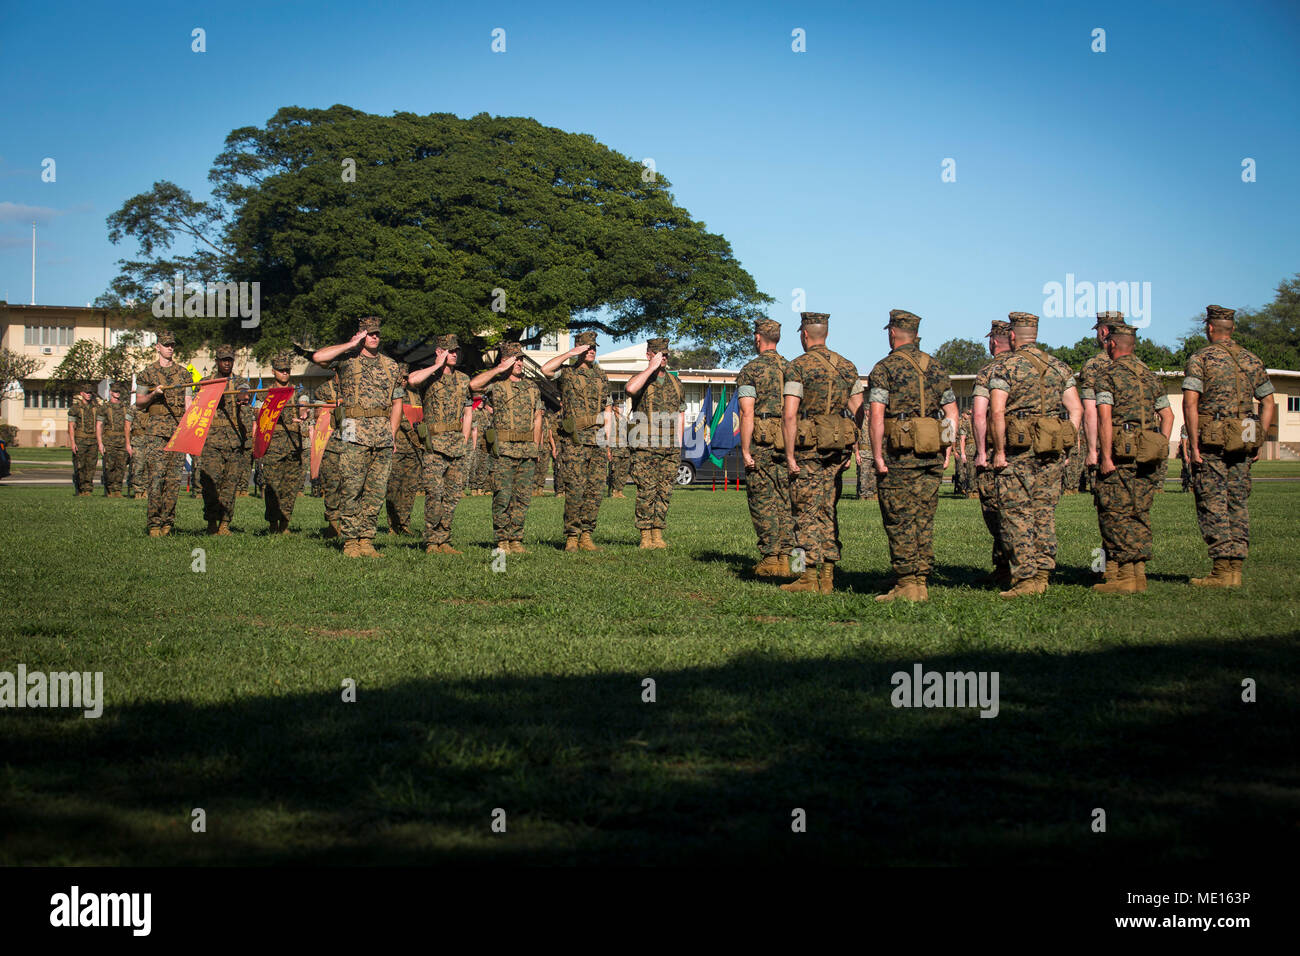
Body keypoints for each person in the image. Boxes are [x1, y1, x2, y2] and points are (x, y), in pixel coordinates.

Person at [989, 312, 1082, 598]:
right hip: (1050, 450)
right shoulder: (1059, 367)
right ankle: (1043, 573)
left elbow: (996, 411)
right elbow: (1076, 409)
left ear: (1013, 336)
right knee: (1044, 512)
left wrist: (999, 452)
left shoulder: (1006, 367)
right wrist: (1067, 443)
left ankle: (1026, 580)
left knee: (1017, 514)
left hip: (1019, 452)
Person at [1183, 304, 1276, 587]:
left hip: (1214, 438)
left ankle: (1222, 570)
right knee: (1238, 501)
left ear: (1210, 328)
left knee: (1213, 502)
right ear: (1231, 328)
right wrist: (1259, 437)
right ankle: (1235, 569)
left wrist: (1193, 443)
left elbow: (1190, 402)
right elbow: (1268, 402)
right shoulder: (1252, 359)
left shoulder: (1201, 359)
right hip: (1244, 435)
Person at [868, 310, 957, 602]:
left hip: (899, 456)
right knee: (923, 518)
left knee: (899, 518)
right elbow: (951, 413)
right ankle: (919, 579)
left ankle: (908, 583)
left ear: (892, 332)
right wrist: (947, 448)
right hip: (931, 454)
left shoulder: (884, 368)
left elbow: (877, 416)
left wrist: (877, 456)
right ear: (915, 334)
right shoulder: (937, 367)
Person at [782, 312, 864, 594]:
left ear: (805, 335)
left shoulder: (797, 367)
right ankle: (828, 577)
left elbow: (790, 415)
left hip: (807, 449)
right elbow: (859, 409)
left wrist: (790, 455)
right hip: (836, 447)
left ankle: (804, 577)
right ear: (825, 334)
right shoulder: (847, 366)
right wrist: (853, 442)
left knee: (801, 513)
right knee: (828, 509)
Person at [311, 317, 404, 558]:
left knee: (375, 492)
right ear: (361, 335)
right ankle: (351, 541)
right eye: (369, 333)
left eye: (377, 334)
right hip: (353, 431)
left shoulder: (391, 365)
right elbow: (318, 357)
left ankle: (367, 540)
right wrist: (350, 344)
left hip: (382, 436)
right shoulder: (346, 359)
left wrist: (391, 435)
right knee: (351, 489)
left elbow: (397, 403)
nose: (374, 337)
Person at [1092, 322, 1174, 593]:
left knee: (1116, 514)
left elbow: (1104, 418)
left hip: (1120, 454)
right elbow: (1168, 416)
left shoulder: (1108, 374)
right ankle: (1138, 575)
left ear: (1112, 343)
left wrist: (1105, 456)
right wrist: (1158, 443)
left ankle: (1125, 578)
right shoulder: (1150, 375)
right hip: (1147, 454)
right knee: (1140, 512)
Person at [541, 331, 613, 551]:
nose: (591, 351)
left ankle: (587, 535)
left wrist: (608, 440)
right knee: (576, 488)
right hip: (575, 440)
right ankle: (572, 535)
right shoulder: (567, 373)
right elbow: (545, 370)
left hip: (597, 439)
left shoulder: (601, 375)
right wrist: (570, 353)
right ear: (579, 349)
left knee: (595, 489)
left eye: (594, 348)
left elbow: (607, 409)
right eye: (587, 347)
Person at [470, 342, 543, 552]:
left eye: (520, 358)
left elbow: (538, 417)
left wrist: (535, 446)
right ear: (504, 360)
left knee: (522, 497)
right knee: (502, 495)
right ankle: (502, 539)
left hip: (527, 450)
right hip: (504, 450)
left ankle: (516, 538)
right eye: (513, 358)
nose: (518, 362)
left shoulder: (532, 387)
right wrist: (498, 369)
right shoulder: (497, 385)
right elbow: (473, 386)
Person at [737, 318, 796, 577]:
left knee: (763, 499)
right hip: (789, 438)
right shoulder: (793, 368)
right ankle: (792, 560)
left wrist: (745, 450)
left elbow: (746, 411)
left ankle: (771, 559)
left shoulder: (750, 369)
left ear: (758, 338)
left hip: (762, 439)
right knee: (789, 499)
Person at [408, 334, 473, 554]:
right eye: (449, 351)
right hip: (434, 444)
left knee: (452, 495)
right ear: (439, 351)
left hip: (456, 443)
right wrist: (436, 365)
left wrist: (464, 439)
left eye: (456, 351)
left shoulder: (464, 379)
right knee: (434, 493)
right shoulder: (428, 376)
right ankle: (431, 541)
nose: (454, 354)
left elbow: (467, 410)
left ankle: (444, 539)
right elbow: (412, 380)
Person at [625, 338, 686, 549]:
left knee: (664, 490)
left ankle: (658, 534)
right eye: (659, 354)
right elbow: (631, 389)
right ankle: (645, 535)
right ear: (649, 355)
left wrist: (679, 442)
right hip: (645, 446)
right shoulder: (641, 379)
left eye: (666, 354)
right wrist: (650, 367)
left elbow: (681, 413)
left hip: (670, 446)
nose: (664, 358)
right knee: (646, 490)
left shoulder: (676, 382)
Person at [135, 331, 192, 536]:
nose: (170, 348)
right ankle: (154, 524)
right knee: (156, 478)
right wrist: (153, 394)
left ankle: (168, 522)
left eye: (172, 345)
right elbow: (139, 402)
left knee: (173, 480)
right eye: (166, 345)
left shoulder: (184, 374)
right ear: (157, 347)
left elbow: (188, 404)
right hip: (156, 433)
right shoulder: (147, 373)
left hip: (177, 432)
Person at [971, 319, 1014, 585]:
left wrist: (981, 452)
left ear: (994, 341)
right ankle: (1032, 568)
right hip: (1030, 450)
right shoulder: (1033, 368)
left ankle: (1005, 567)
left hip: (995, 451)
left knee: (996, 510)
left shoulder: (990, 371)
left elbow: (979, 414)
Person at [198, 344, 253, 535]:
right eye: (223, 360)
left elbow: (245, 390)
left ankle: (225, 523)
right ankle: (211, 521)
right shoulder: (206, 383)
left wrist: (243, 395)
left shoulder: (239, 382)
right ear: (217, 361)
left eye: (230, 360)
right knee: (211, 484)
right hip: (212, 443)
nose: (227, 363)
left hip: (234, 442)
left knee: (230, 486)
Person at [262, 352, 309, 534]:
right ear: (274, 371)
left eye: (287, 370)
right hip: (273, 446)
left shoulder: (298, 391)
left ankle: (285, 522)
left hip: (294, 446)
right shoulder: (266, 392)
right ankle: (273, 522)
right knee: (273, 486)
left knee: (290, 487)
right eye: (281, 370)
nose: (284, 373)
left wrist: (303, 412)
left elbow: (303, 404)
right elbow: (260, 414)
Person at [385, 365, 424, 535]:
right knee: (393, 487)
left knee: (410, 487)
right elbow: (397, 417)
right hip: (397, 447)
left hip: (414, 449)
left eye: (405, 377)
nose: (402, 380)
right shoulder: (389, 394)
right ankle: (392, 524)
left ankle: (404, 523)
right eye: (399, 377)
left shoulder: (415, 395)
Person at [312, 368, 346, 537]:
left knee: (350, 488)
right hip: (331, 444)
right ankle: (333, 525)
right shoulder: (324, 390)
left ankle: (347, 524)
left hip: (351, 444)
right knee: (332, 485)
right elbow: (318, 414)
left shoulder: (355, 387)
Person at [96, 381, 129, 497]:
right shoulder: (104, 408)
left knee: (121, 467)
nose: (117, 393)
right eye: (115, 391)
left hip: (122, 441)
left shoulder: (125, 407)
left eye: (119, 391)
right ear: (110, 392)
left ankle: (118, 490)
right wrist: (100, 443)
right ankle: (109, 490)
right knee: (109, 467)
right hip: (109, 441)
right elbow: (99, 425)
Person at [67, 381, 99, 496]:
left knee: (91, 466)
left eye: (90, 393)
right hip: (80, 440)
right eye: (86, 392)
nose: (89, 395)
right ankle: (79, 489)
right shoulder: (75, 408)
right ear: (82, 393)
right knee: (80, 466)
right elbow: (71, 426)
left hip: (93, 441)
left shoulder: (96, 408)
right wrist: (72, 442)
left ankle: (88, 489)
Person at [606, 400, 632, 498]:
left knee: (623, 471)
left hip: (625, 449)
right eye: (619, 406)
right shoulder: (610, 419)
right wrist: (608, 450)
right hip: (615, 449)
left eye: (622, 406)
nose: (621, 408)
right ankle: (614, 490)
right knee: (614, 471)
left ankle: (620, 491)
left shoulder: (626, 420)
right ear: (614, 408)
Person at [954, 409, 976, 497]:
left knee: (972, 471)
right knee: (970, 471)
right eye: (968, 414)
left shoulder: (970, 422)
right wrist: (962, 453)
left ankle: (973, 491)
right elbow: (962, 439)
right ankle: (970, 491)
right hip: (970, 448)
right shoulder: (966, 423)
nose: (969, 415)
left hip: (974, 448)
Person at [1178, 425, 1192, 492]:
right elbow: (1184, 442)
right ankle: (1187, 486)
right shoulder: (1186, 427)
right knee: (1187, 469)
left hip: (1193, 451)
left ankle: (1190, 487)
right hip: (1187, 451)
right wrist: (1185, 454)